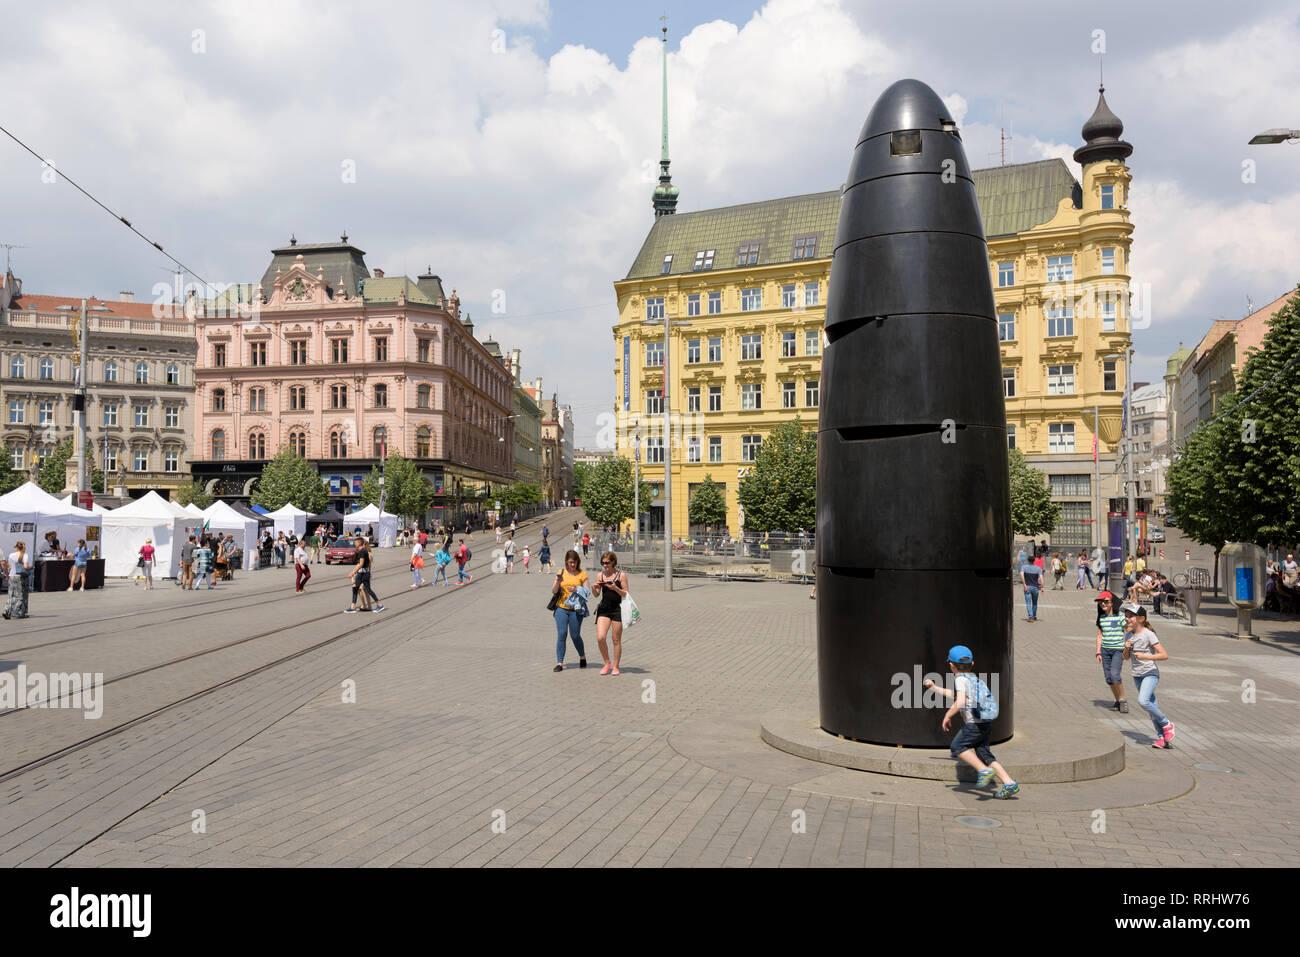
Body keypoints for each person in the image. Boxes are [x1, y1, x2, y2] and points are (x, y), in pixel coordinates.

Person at [923, 646, 1018, 799]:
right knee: (985, 755)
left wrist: (947, 715)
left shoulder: (960, 680)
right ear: (972, 663)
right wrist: (934, 688)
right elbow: (956, 695)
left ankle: (983, 771)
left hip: (974, 725)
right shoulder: (972, 679)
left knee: (957, 746)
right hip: (985, 723)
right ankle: (1009, 783)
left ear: (951, 665)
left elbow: (959, 701)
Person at [1122, 603, 1173, 748]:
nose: (1127, 619)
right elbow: (1126, 658)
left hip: (1150, 674)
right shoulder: (1129, 635)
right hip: (1137, 675)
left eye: (1131, 616)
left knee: (1143, 702)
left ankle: (1166, 723)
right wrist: (1126, 648)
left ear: (1141, 618)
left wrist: (1145, 657)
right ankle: (1163, 738)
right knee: (1151, 707)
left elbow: (1164, 655)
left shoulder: (1148, 634)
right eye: (1126, 616)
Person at [551, 549, 588, 672]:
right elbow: (554, 591)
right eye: (570, 562)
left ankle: (582, 656)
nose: (573, 565)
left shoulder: (582, 574)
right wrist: (557, 582)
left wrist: (576, 590)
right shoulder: (561, 572)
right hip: (561, 608)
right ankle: (560, 663)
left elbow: (588, 592)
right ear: (566, 562)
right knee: (562, 634)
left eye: (575, 562)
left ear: (578, 562)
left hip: (576, 610)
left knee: (575, 635)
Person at [592, 552, 629, 676]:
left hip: (618, 609)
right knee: (600, 637)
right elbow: (597, 594)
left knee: (616, 639)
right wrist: (594, 588)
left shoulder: (621, 575)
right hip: (604, 609)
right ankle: (607, 663)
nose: (604, 565)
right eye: (602, 563)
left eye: (607, 563)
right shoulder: (600, 575)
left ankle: (616, 666)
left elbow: (625, 594)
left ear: (613, 562)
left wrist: (615, 588)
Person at [1094, 591, 1128, 713]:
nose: (1103, 604)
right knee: (1109, 678)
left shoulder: (1120, 617)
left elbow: (1129, 629)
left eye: (1106, 601)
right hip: (1105, 650)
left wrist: (1128, 645)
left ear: (1112, 603)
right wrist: (1098, 652)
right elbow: (1099, 636)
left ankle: (1123, 699)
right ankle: (1117, 700)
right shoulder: (1101, 619)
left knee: (1115, 675)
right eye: (1101, 602)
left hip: (1118, 650)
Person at [346, 539, 383, 613]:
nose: (354, 544)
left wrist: (352, 572)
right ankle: (353, 606)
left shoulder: (362, 551)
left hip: (363, 574)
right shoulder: (362, 551)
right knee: (355, 588)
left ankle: (379, 604)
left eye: (355, 542)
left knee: (367, 589)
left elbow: (361, 564)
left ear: (359, 543)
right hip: (361, 573)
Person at [2, 542, 32, 619]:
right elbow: (25, 566)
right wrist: (31, 567)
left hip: (12, 576)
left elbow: (9, 566)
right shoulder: (25, 555)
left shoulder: (11, 555)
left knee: (11, 594)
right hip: (21, 577)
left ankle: (6, 610)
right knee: (22, 594)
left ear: (16, 547)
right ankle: (20, 612)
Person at [1020, 554, 1043, 621]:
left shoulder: (1024, 567)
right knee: (1035, 603)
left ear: (1027, 560)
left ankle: (1031, 617)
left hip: (1027, 587)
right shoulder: (1038, 568)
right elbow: (1041, 578)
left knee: (1028, 603)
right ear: (1034, 560)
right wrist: (1042, 587)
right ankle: (1034, 616)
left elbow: (1021, 575)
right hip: (1035, 588)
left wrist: (1024, 584)